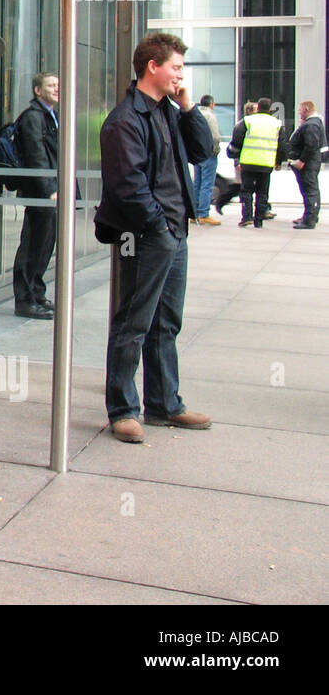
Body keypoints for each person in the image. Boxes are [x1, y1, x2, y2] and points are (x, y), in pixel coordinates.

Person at [94, 33, 212, 444]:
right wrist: (159, 227)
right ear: (153, 67)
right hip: (147, 235)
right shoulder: (125, 120)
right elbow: (128, 186)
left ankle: (164, 404)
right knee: (134, 321)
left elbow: (203, 151)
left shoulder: (169, 111)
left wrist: (188, 106)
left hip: (174, 233)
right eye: (176, 67)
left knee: (166, 323)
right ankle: (123, 409)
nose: (181, 74)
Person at [12, 72, 59, 320]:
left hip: (50, 194)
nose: (56, 89)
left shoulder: (51, 115)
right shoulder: (33, 117)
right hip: (41, 194)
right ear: (38, 91)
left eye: (58, 85)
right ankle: (25, 299)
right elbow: (36, 155)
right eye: (51, 85)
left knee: (45, 246)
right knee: (33, 246)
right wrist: (49, 188)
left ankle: (37, 293)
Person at [228, 97, 287, 228]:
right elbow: (282, 145)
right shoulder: (277, 124)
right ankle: (259, 220)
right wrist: (279, 162)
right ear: (270, 109)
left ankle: (247, 217)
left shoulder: (248, 121)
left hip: (248, 162)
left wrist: (236, 157)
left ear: (258, 108)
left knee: (247, 190)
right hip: (266, 163)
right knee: (262, 192)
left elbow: (237, 139)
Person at [287, 100, 325, 229]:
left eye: (300, 110)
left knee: (310, 190)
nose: (298, 112)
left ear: (307, 109)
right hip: (310, 162)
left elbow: (311, 145)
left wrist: (301, 160)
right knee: (309, 189)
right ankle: (310, 215)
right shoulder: (312, 123)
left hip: (307, 163)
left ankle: (309, 219)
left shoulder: (311, 125)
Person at [191, 94, 223, 226]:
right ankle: (203, 213)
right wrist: (216, 149)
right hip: (209, 153)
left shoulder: (195, 114)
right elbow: (215, 136)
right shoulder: (210, 116)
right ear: (211, 104)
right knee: (207, 184)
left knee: (197, 183)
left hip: (197, 153)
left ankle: (194, 213)